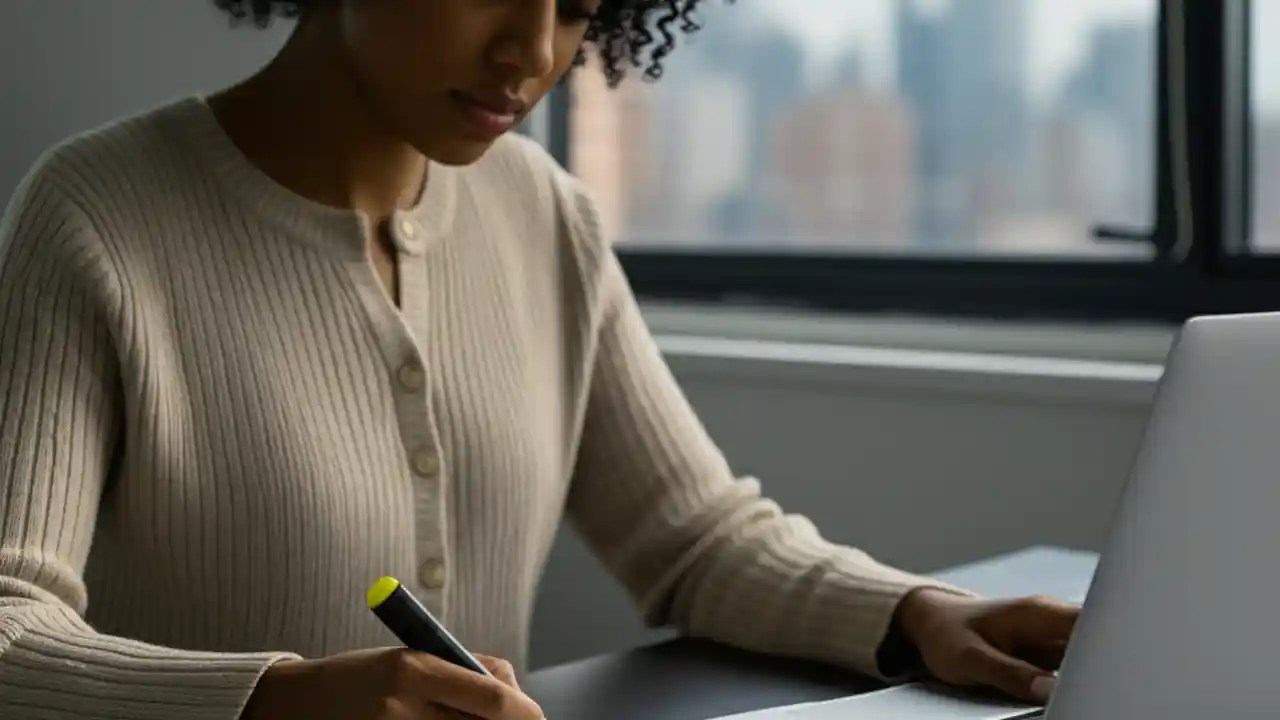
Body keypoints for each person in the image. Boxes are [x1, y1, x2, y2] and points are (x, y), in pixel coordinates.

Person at [0, 1, 1079, 718]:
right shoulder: (96, 217)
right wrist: (276, 701)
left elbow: (693, 539)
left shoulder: (541, 211)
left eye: (576, 5)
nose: (534, 53)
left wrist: (913, 611)